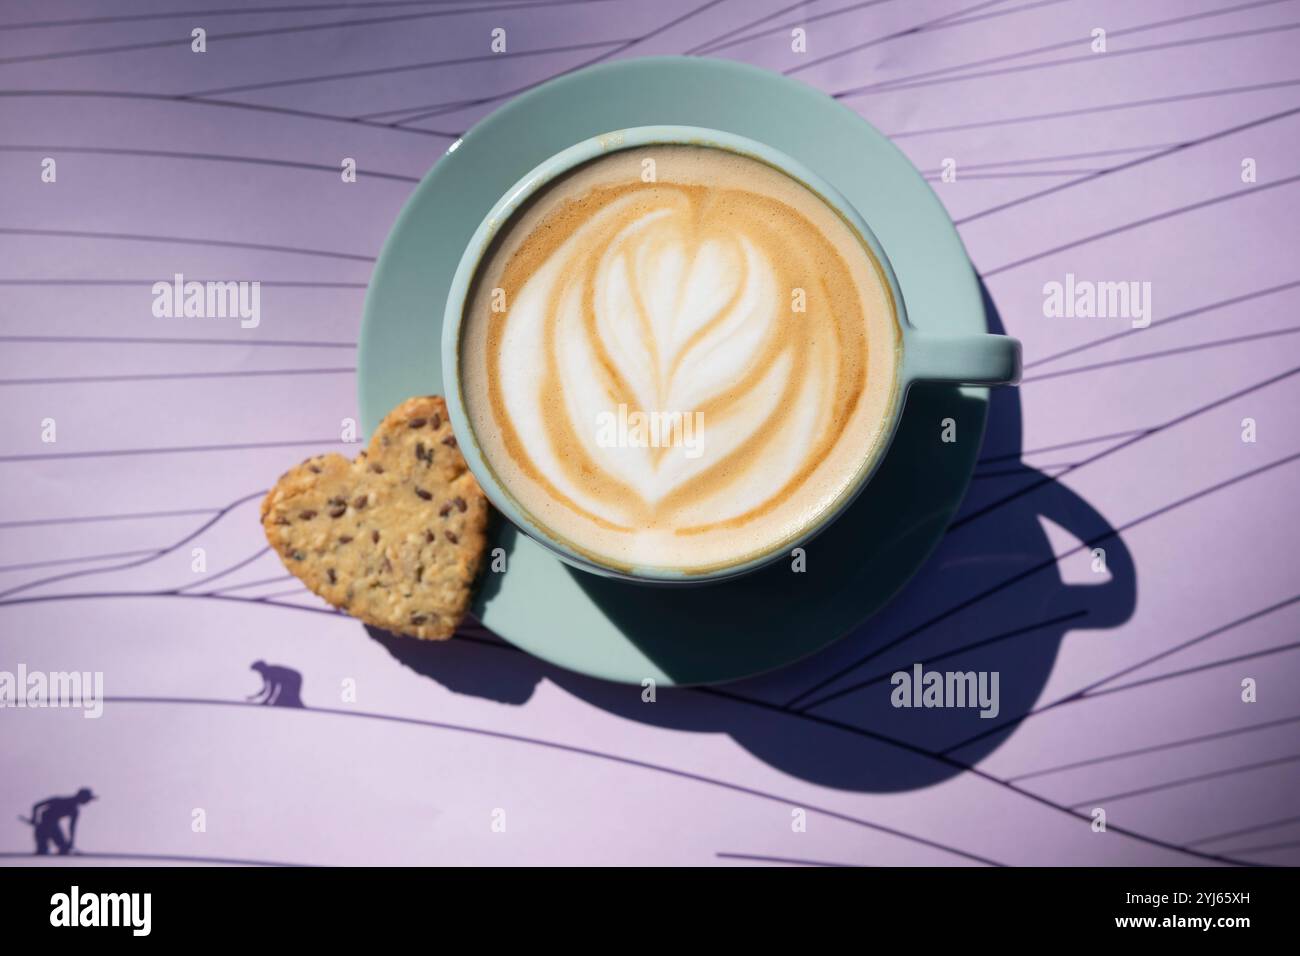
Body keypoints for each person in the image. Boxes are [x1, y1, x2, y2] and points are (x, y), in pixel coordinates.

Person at [26, 788, 96, 855]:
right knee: (43, 850)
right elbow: (36, 806)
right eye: (87, 799)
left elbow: (72, 827)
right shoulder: (59, 800)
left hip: (53, 826)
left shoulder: (74, 811)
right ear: (82, 797)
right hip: (44, 827)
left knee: (64, 849)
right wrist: (34, 819)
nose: (88, 801)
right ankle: (43, 848)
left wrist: (71, 842)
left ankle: (52, 849)